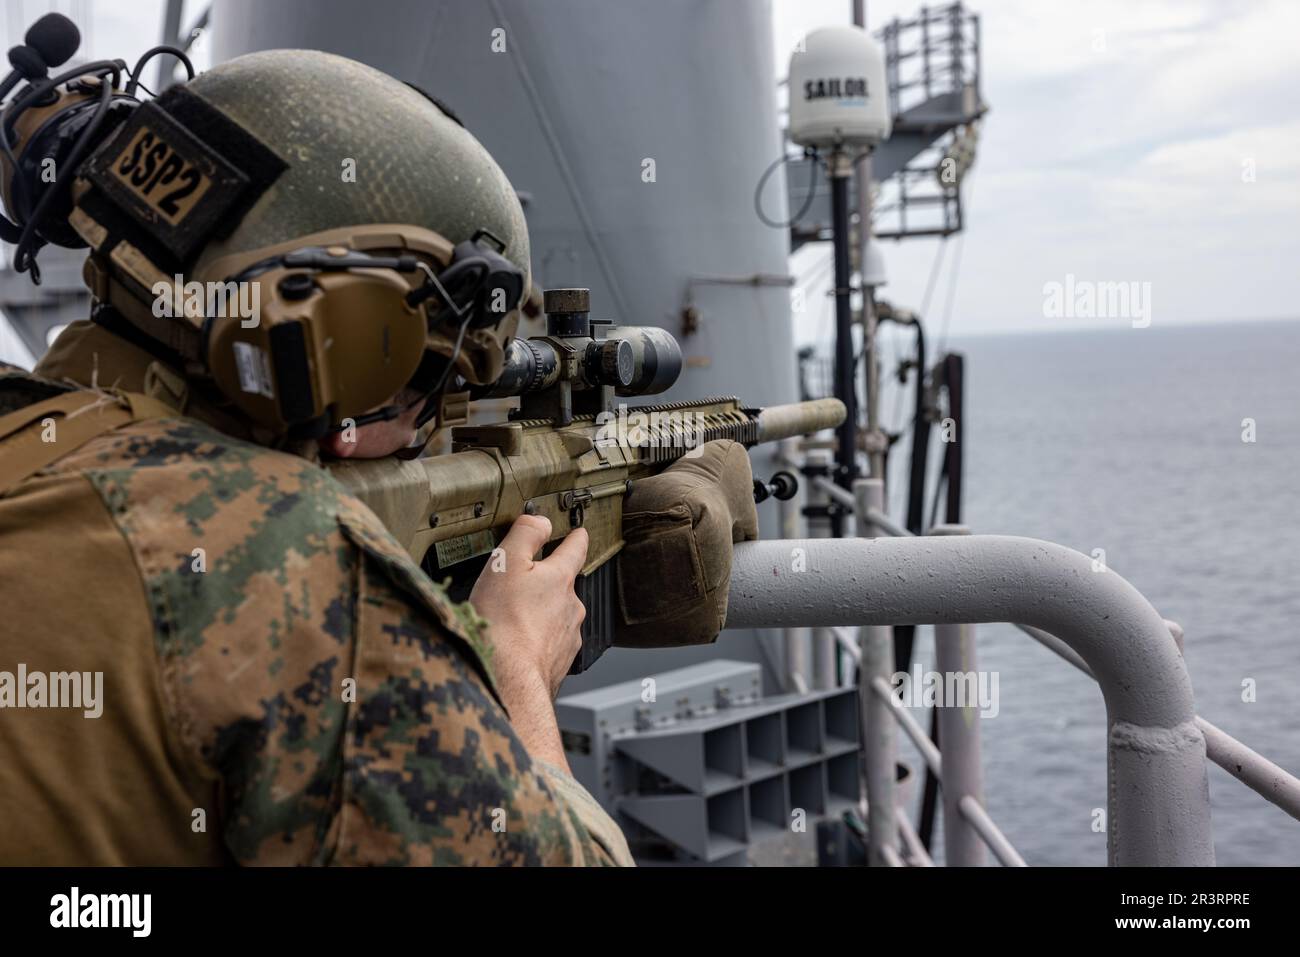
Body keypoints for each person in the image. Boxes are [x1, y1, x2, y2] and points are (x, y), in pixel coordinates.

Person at [0, 48, 632, 865]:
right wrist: (514, 670)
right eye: (420, 377)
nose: (421, 430)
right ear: (333, 344)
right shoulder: (293, 559)